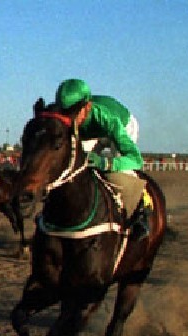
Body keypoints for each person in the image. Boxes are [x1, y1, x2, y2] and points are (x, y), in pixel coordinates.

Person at [54, 78, 148, 238]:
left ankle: (141, 210)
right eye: (64, 112)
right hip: (93, 132)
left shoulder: (108, 120)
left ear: (87, 107)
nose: (69, 119)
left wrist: (106, 162)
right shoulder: (66, 116)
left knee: (121, 173)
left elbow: (136, 159)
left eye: (74, 112)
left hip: (123, 125)